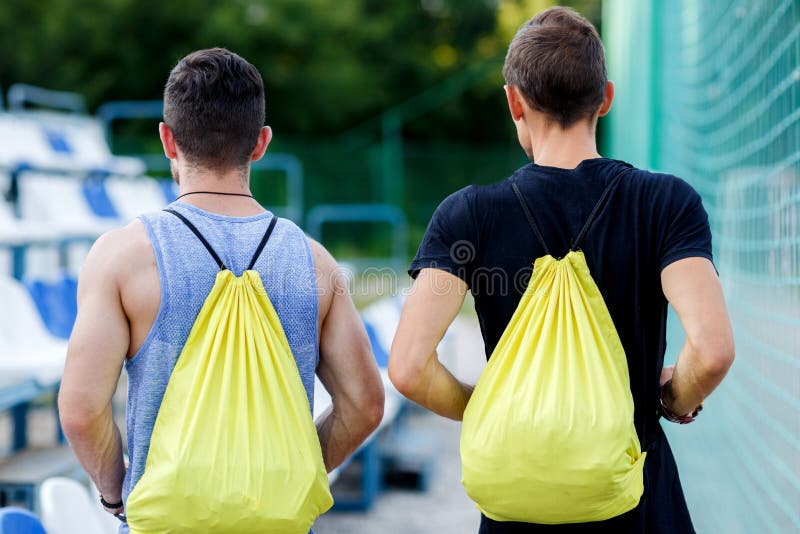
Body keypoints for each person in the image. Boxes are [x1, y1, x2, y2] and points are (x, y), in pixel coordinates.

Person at [389, 7, 734, 533]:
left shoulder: (467, 214)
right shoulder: (666, 203)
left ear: (514, 102)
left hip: (519, 504)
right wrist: (668, 397)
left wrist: (489, 407)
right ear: (607, 98)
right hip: (636, 497)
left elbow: (409, 367)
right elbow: (711, 352)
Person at [59, 48, 384, 531]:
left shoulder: (122, 256)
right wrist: (284, 476)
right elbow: (364, 404)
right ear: (261, 143)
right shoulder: (314, 261)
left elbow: (82, 411)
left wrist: (117, 496)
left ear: (168, 140)